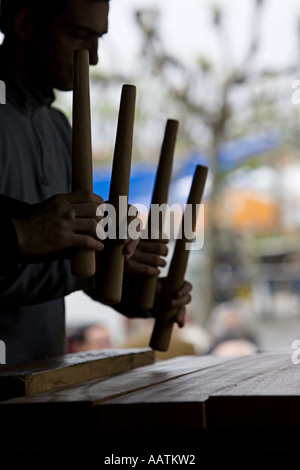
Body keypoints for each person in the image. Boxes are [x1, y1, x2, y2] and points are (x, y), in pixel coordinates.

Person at [0, 0, 192, 367]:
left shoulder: (59, 128)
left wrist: (139, 291)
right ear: (25, 24)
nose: (94, 57)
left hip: (45, 382)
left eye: (99, 38)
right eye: (78, 35)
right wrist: (23, 235)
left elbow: (76, 269)